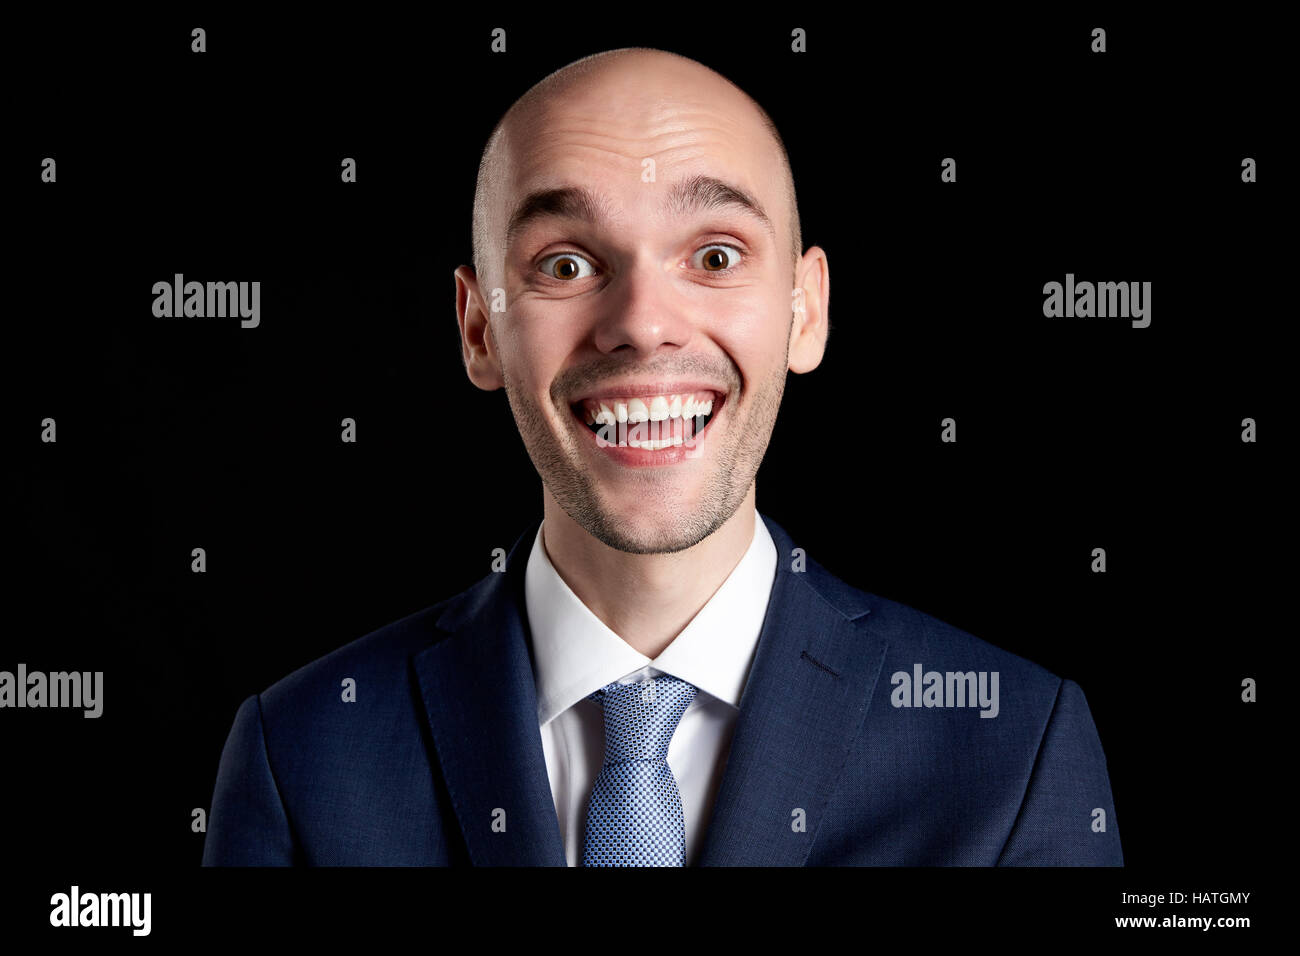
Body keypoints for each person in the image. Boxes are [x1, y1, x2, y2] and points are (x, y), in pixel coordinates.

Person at [202, 47, 1122, 866]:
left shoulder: (1012, 749)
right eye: (565, 265)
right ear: (479, 327)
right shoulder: (302, 754)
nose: (642, 324)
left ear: (807, 310)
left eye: (715, 255)